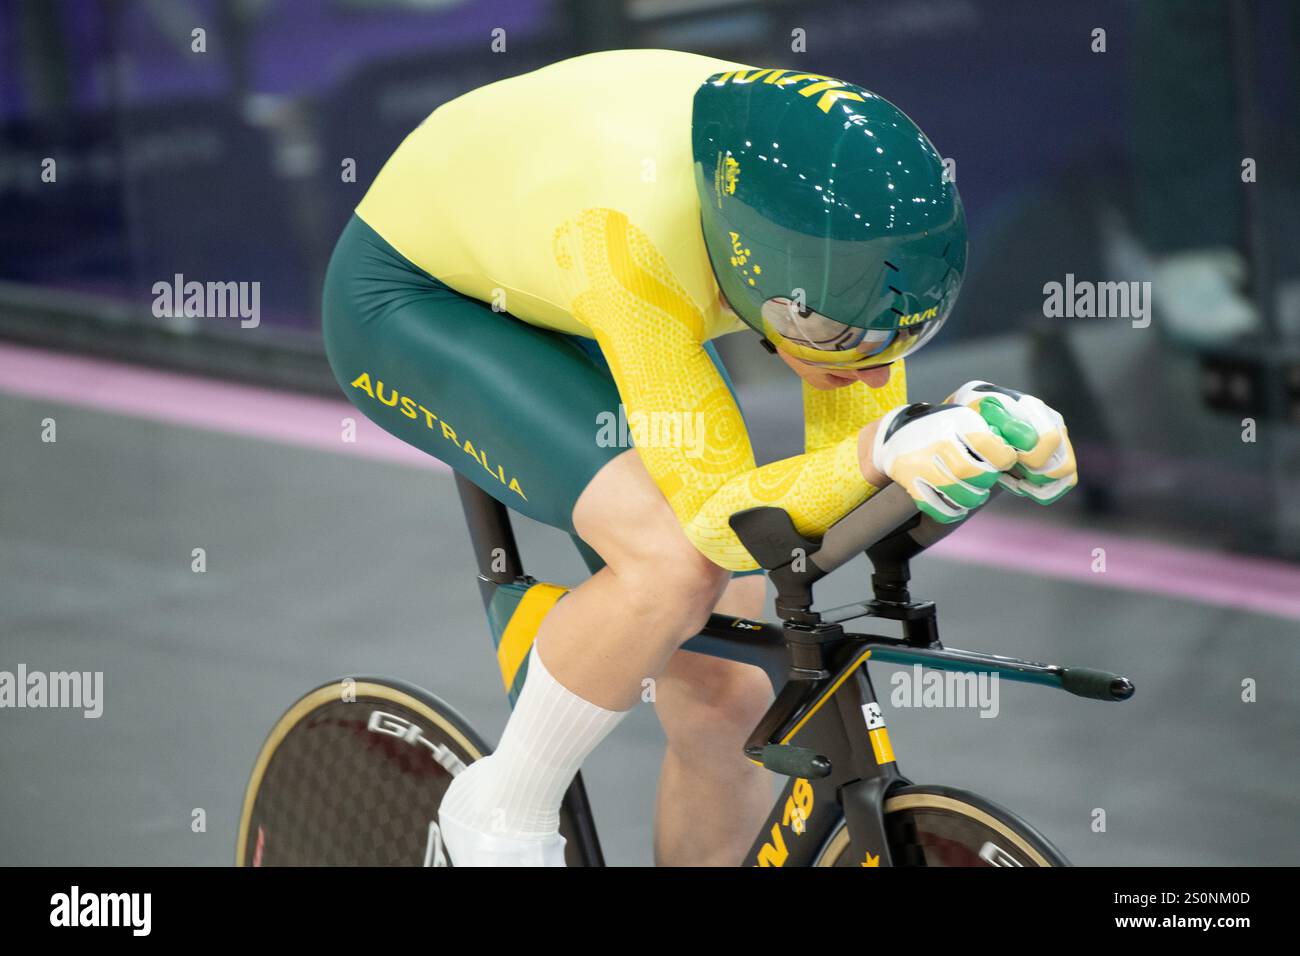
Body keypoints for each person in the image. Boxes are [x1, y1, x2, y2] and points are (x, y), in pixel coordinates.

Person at [321, 49, 1077, 866]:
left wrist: (970, 439)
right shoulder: (633, 240)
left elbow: (851, 490)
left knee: (727, 699)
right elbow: (720, 524)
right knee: (673, 564)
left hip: (585, 273)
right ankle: (502, 803)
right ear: (755, 272)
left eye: (901, 339)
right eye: (831, 337)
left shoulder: (840, 231)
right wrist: (884, 448)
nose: (858, 367)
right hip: (423, 299)